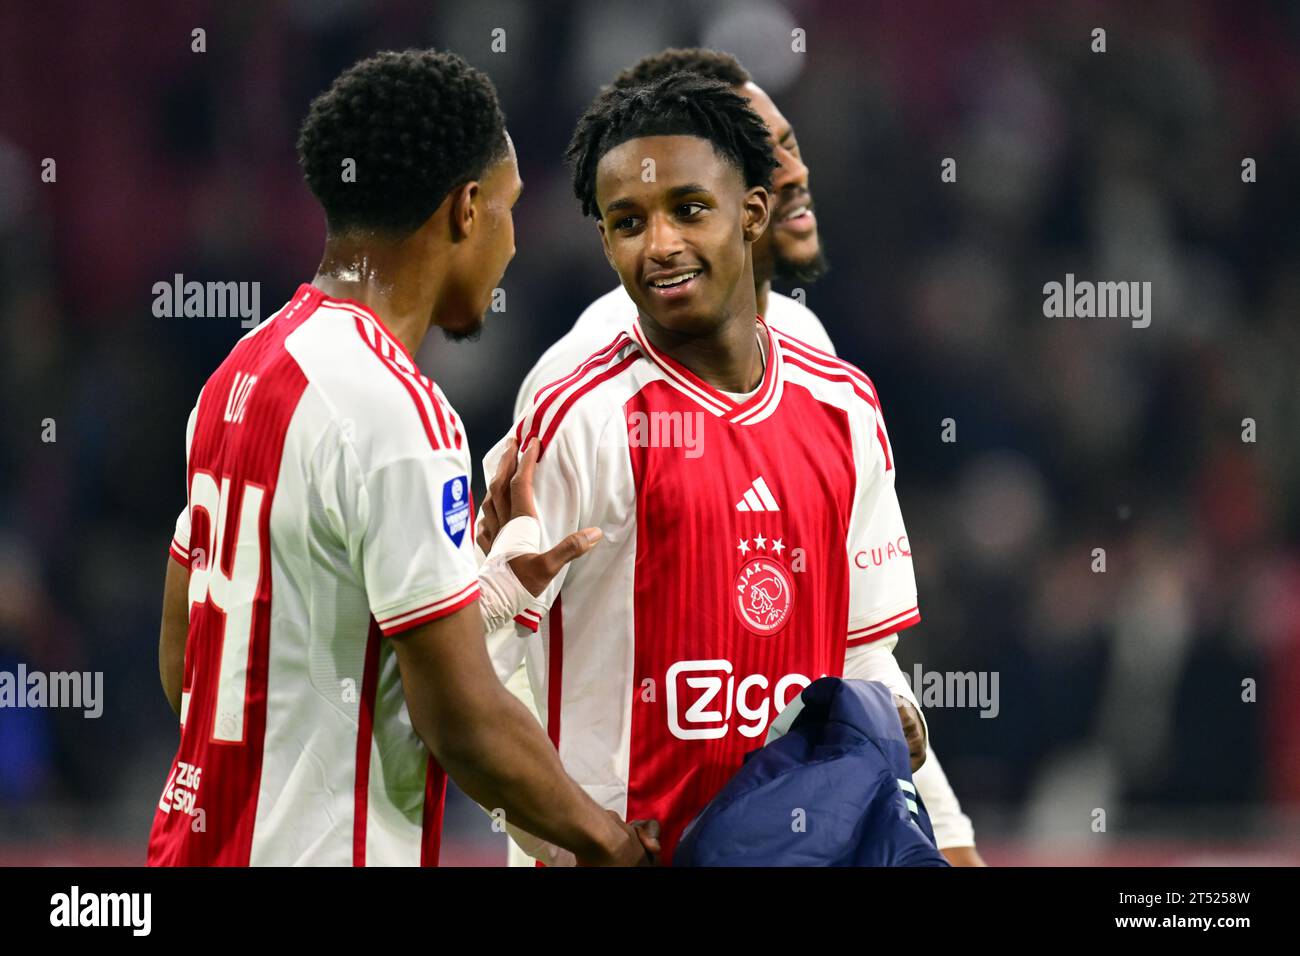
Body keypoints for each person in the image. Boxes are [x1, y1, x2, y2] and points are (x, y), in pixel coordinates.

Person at [148, 49, 654, 867]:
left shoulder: (240, 372)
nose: (515, 244)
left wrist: (480, 597)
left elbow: (189, 660)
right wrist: (614, 847)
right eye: (510, 209)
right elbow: (462, 719)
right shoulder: (396, 406)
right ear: (465, 210)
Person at [491, 48, 982, 866]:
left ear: (748, 209)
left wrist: (933, 790)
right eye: (631, 220)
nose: (660, 244)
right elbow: (476, 678)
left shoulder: (835, 389)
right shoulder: (575, 410)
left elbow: (862, 652)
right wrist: (570, 836)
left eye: (688, 208)